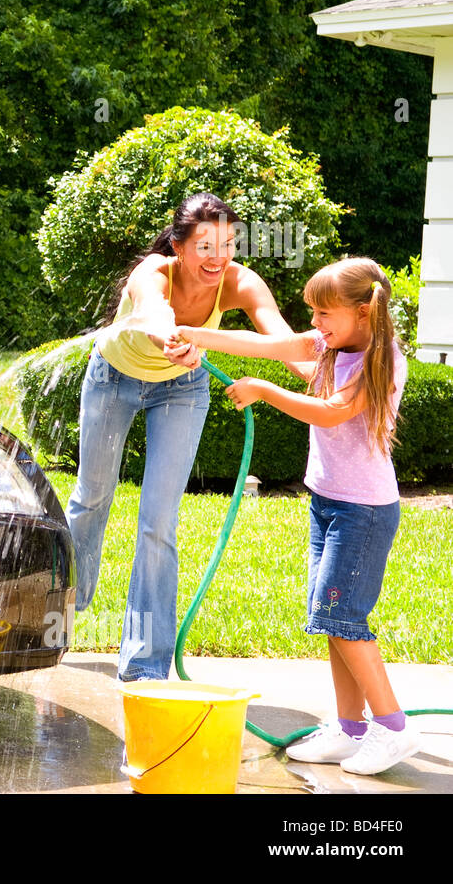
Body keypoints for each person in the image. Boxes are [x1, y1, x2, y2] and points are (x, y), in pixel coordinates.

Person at [177, 257, 420, 775]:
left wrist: (263, 391)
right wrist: (191, 333)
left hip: (364, 512)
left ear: (363, 312)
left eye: (324, 314)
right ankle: (351, 728)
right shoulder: (330, 346)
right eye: (312, 314)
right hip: (328, 503)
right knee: (331, 619)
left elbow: (332, 410)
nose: (315, 324)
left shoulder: (382, 361)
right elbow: (272, 346)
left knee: (344, 617)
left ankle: (393, 727)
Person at [68, 192, 296, 682]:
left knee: (158, 520)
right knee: (92, 498)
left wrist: (321, 371)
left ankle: (146, 666)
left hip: (181, 391)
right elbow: (153, 314)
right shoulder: (153, 270)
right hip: (114, 378)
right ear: (178, 245)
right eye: (206, 246)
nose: (219, 257)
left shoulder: (239, 282)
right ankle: (61, 613)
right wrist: (171, 338)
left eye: (228, 244)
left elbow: (280, 337)